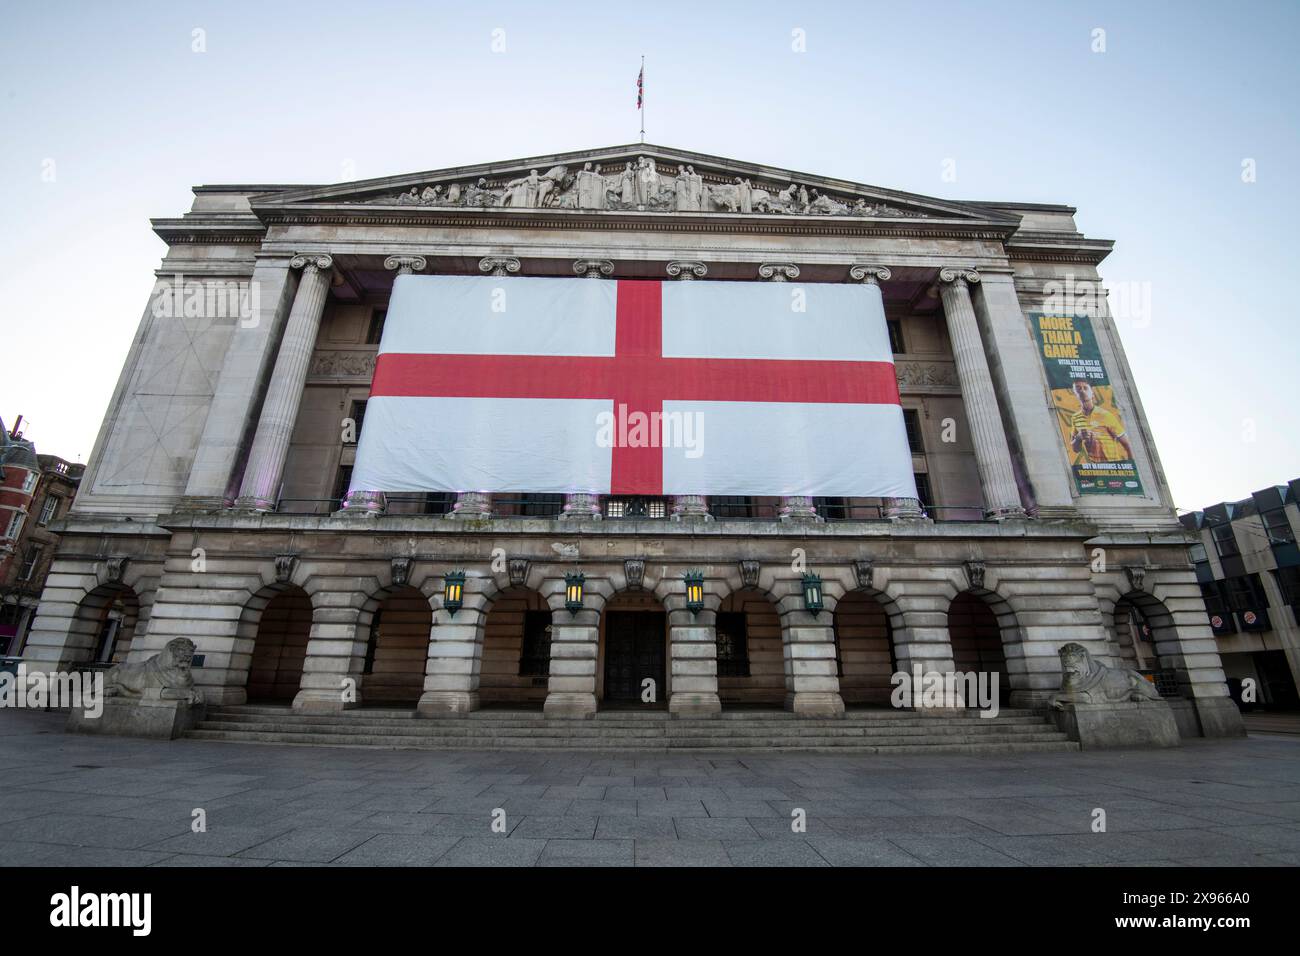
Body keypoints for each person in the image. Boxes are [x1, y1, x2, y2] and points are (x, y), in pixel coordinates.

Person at [1068, 378, 1132, 462]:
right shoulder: (1075, 418)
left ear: (1092, 394)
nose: (1082, 391)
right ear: (1075, 394)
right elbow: (1076, 449)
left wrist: (1132, 466)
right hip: (1095, 469)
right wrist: (1078, 438)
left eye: (1085, 388)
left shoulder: (1106, 415)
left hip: (1113, 467)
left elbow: (1127, 444)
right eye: (1078, 388)